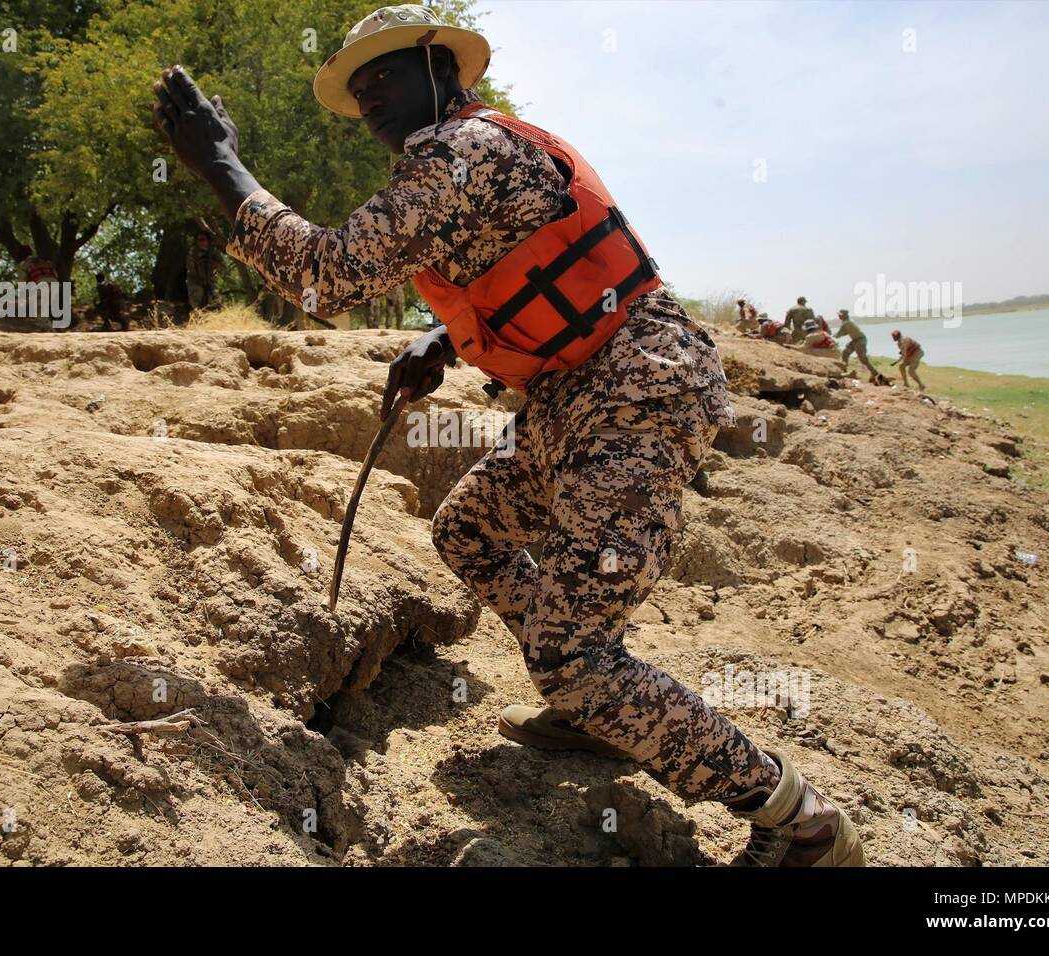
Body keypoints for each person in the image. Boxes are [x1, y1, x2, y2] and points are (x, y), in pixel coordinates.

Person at [152, 3, 864, 868]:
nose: (369, 98)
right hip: (574, 398)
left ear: (440, 68)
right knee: (469, 530)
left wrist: (221, 164)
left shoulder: (462, 150)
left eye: (385, 76)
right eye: (359, 86)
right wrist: (443, 338)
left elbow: (326, 278)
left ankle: (800, 820)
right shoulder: (465, 155)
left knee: (572, 656)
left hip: (636, 394)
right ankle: (603, 707)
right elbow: (527, 267)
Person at [835, 309, 880, 381]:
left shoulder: (846, 323)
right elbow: (845, 332)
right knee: (845, 353)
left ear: (844, 315)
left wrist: (831, 337)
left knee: (863, 359)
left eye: (840, 315)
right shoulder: (847, 321)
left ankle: (875, 372)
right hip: (856, 340)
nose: (838, 316)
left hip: (860, 340)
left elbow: (839, 334)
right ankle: (844, 371)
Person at [185, 230, 222, 308]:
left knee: (215, 300)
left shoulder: (213, 252)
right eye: (198, 240)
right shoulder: (193, 251)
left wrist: (215, 266)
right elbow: (190, 267)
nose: (200, 242)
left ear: (208, 241)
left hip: (211, 280)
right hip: (195, 281)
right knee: (197, 299)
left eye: (202, 239)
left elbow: (221, 266)